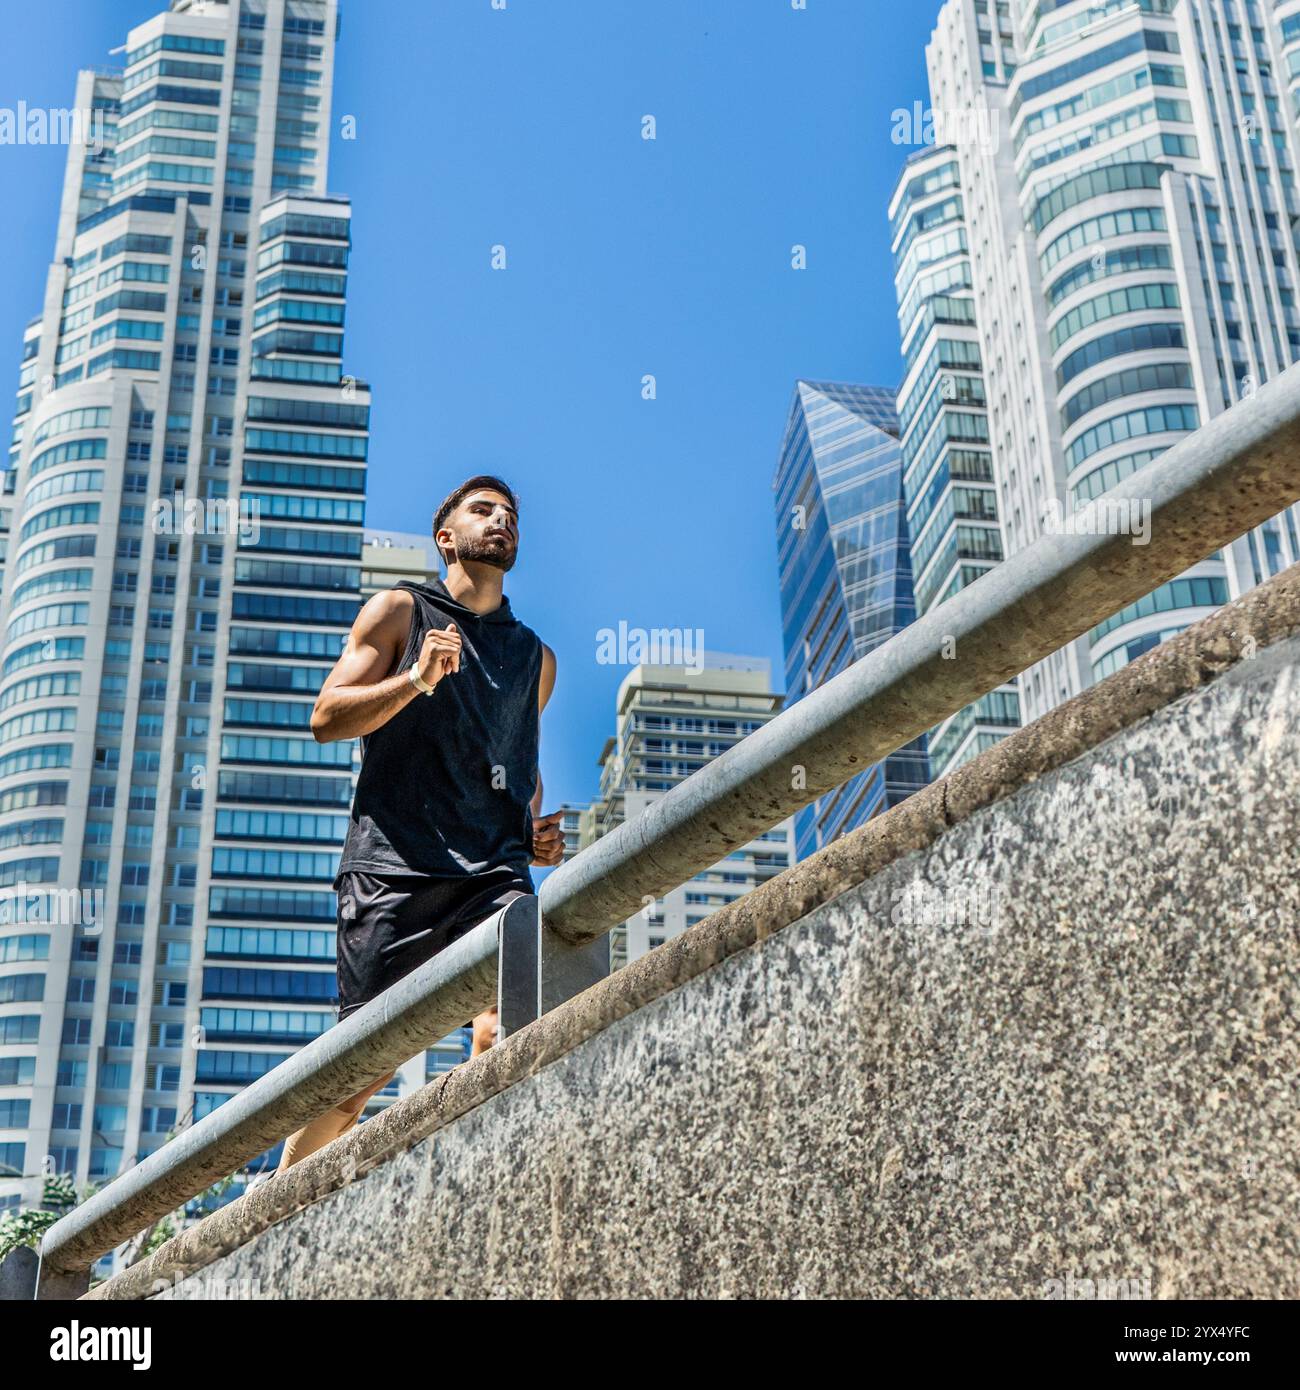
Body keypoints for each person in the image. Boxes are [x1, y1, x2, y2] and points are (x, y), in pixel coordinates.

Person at [275, 476, 563, 1172]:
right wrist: (413, 681)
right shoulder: (400, 611)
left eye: (510, 514)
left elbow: (517, 759)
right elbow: (325, 717)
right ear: (446, 537)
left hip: (493, 872)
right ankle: (266, 1215)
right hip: (393, 869)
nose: (501, 521)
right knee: (353, 1084)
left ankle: (481, 1170)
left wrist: (533, 829)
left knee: (509, 1018)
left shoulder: (536, 658)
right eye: (482, 510)